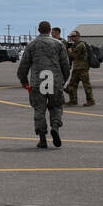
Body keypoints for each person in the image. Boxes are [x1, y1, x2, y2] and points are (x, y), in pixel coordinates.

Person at [17, 20, 71, 148]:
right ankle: (55, 126)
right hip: (54, 81)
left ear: (38, 30)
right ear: (50, 30)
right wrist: (63, 80)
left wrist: (24, 81)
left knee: (39, 110)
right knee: (56, 106)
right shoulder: (58, 44)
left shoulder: (32, 44)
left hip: (37, 82)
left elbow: (24, 65)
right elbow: (66, 65)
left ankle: (42, 139)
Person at [63, 30, 95, 107]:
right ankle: (73, 100)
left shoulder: (80, 45)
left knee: (86, 85)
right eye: (71, 36)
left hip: (82, 68)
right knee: (72, 85)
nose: (72, 38)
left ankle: (90, 100)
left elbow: (73, 55)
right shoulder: (75, 45)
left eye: (74, 36)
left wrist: (69, 51)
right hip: (77, 68)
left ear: (78, 37)